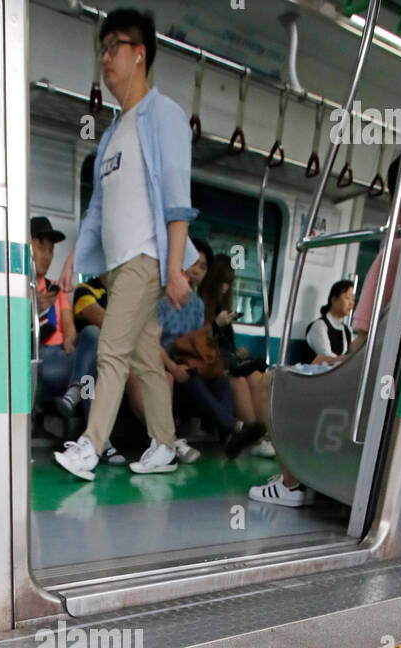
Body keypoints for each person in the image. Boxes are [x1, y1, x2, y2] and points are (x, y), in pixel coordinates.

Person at [53, 8, 198, 481]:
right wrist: (76, 255)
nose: (106, 56)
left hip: (145, 258)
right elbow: (98, 208)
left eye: (115, 45)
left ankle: (90, 448)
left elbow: (178, 200)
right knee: (143, 357)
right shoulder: (113, 134)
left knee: (110, 349)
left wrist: (174, 268)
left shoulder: (164, 117)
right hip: (118, 266)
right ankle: (164, 443)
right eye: (103, 47)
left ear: (140, 54)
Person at [249, 146, 401, 508]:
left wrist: (330, 364)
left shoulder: (395, 252)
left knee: (269, 380)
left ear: (395, 196)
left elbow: (359, 350)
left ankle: (291, 482)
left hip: (366, 388)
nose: (350, 301)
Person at [160, 241, 258, 459]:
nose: (196, 270)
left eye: (203, 267)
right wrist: (173, 365)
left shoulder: (196, 304)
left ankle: (231, 433)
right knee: (192, 378)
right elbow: (152, 341)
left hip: (190, 359)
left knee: (220, 379)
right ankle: (232, 425)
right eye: (192, 263)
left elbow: (199, 342)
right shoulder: (162, 297)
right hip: (165, 360)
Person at [30, 215, 100, 436]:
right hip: (42, 361)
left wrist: (72, 344)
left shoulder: (54, 289)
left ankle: (74, 393)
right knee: (93, 371)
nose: (47, 256)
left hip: (65, 357)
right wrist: (34, 309)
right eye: (41, 247)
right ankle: (97, 439)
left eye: (51, 250)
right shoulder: (17, 286)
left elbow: (69, 328)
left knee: (91, 333)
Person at [305, 279, 355, 361]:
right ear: (334, 299)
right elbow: (327, 357)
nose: (351, 303)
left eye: (353, 299)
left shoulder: (348, 330)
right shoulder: (319, 326)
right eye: (347, 298)